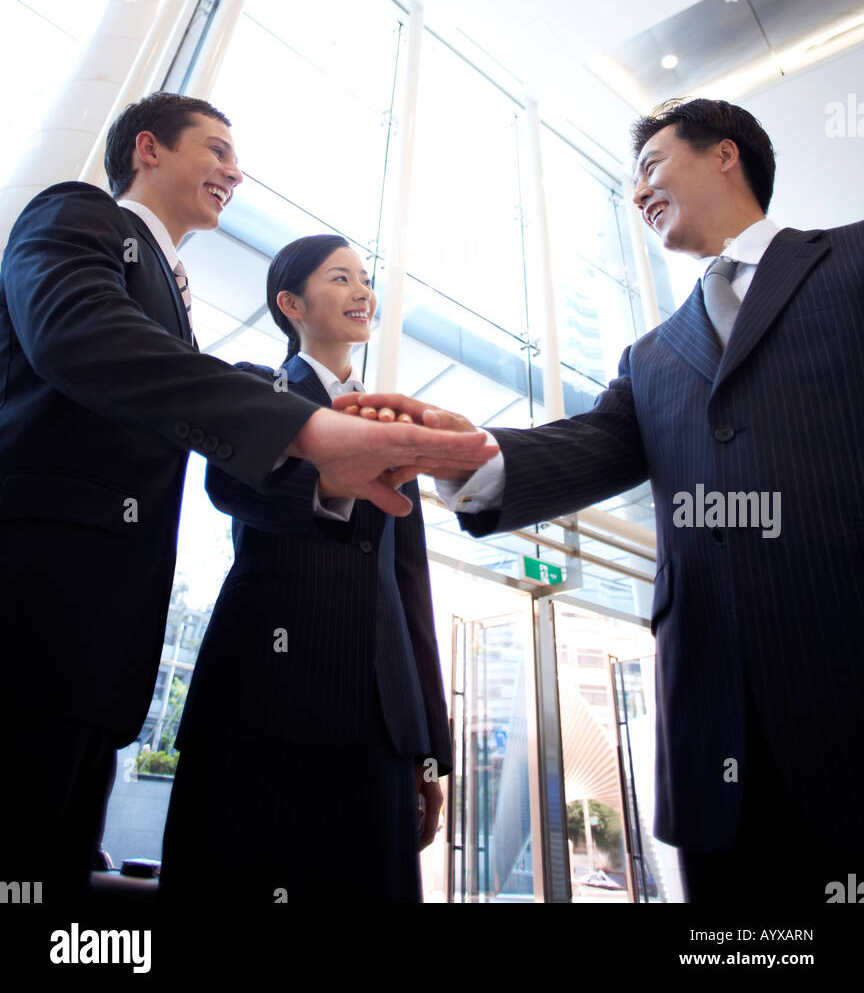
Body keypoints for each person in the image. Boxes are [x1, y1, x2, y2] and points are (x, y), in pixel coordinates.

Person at [338, 97, 864, 905]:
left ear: (726, 156)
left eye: (651, 166)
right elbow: (592, 447)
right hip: (713, 720)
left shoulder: (851, 263)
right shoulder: (653, 355)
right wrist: (465, 450)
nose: (639, 191)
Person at [0, 93, 493, 903]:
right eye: (218, 149)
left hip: (111, 650)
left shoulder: (186, 312)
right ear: (149, 149)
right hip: (59, 621)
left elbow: (408, 590)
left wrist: (428, 745)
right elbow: (85, 342)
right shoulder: (81, 217)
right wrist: (307, 434)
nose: (236, 170)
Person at [159, 234, 452, 904]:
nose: (362, 291)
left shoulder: (390, 421)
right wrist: (335, 477)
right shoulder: (252, 386)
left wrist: (428, 748)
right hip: (265, 695)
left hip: (381, 724)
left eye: (365, 278)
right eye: (340, 278)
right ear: (290, 303)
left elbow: (411, 592)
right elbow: (233, 491)